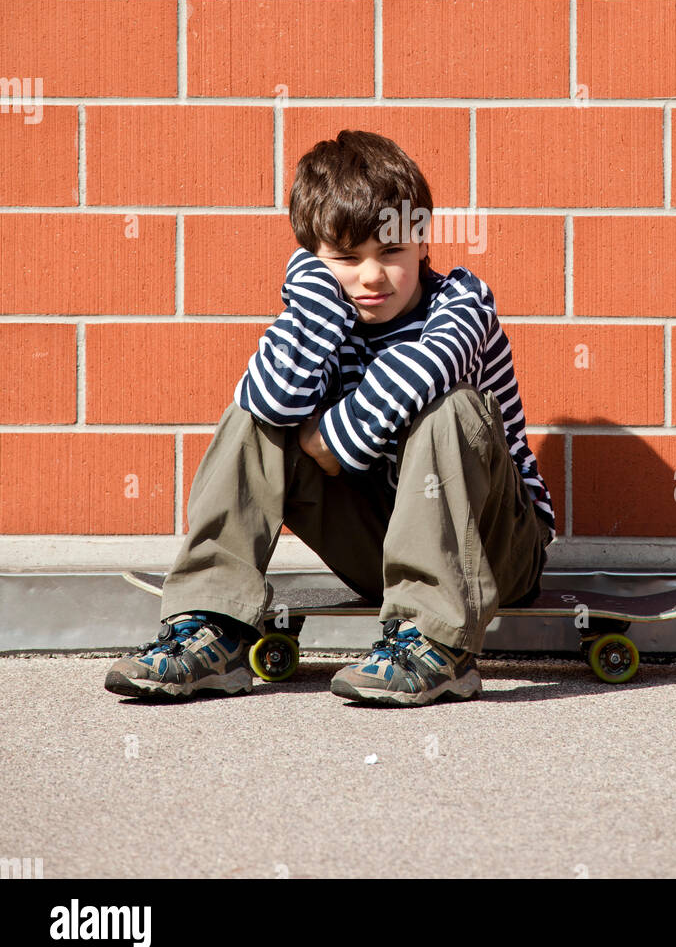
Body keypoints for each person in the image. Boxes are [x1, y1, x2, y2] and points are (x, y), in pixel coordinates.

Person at [105, 130, 556, 707]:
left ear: (422, 243)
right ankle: (211, 626)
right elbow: (270, 402)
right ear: (314, 259)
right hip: (383, 549)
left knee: (450, 406)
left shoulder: (462, 306)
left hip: (494, 550)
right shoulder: (322, 317)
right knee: (256, 412)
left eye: (390, 252)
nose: (371, 277)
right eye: (345, 259)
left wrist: (328, 444)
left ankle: (439, 646)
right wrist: (313, 301)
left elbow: (416, 376)